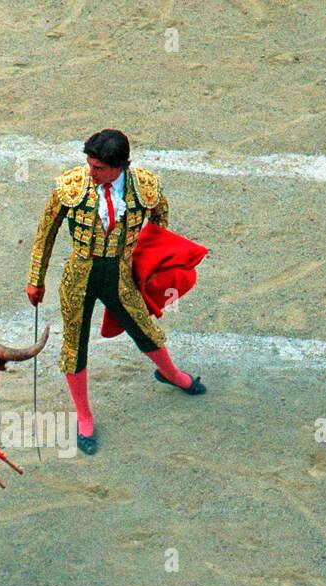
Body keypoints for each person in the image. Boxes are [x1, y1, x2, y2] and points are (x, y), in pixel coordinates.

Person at [26, 128, 204, 456]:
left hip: (121, 274)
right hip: (79, 275)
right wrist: (36, 278)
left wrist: (148, 257)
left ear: (119, 166)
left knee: (145, 329)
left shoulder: (144, 187)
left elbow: (160, 216)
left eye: (98, 168)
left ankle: (173, 375)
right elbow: (45, 232)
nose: (90, 173)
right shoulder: (72, 185)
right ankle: (84, 416)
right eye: (89, 165)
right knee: (74, 345)